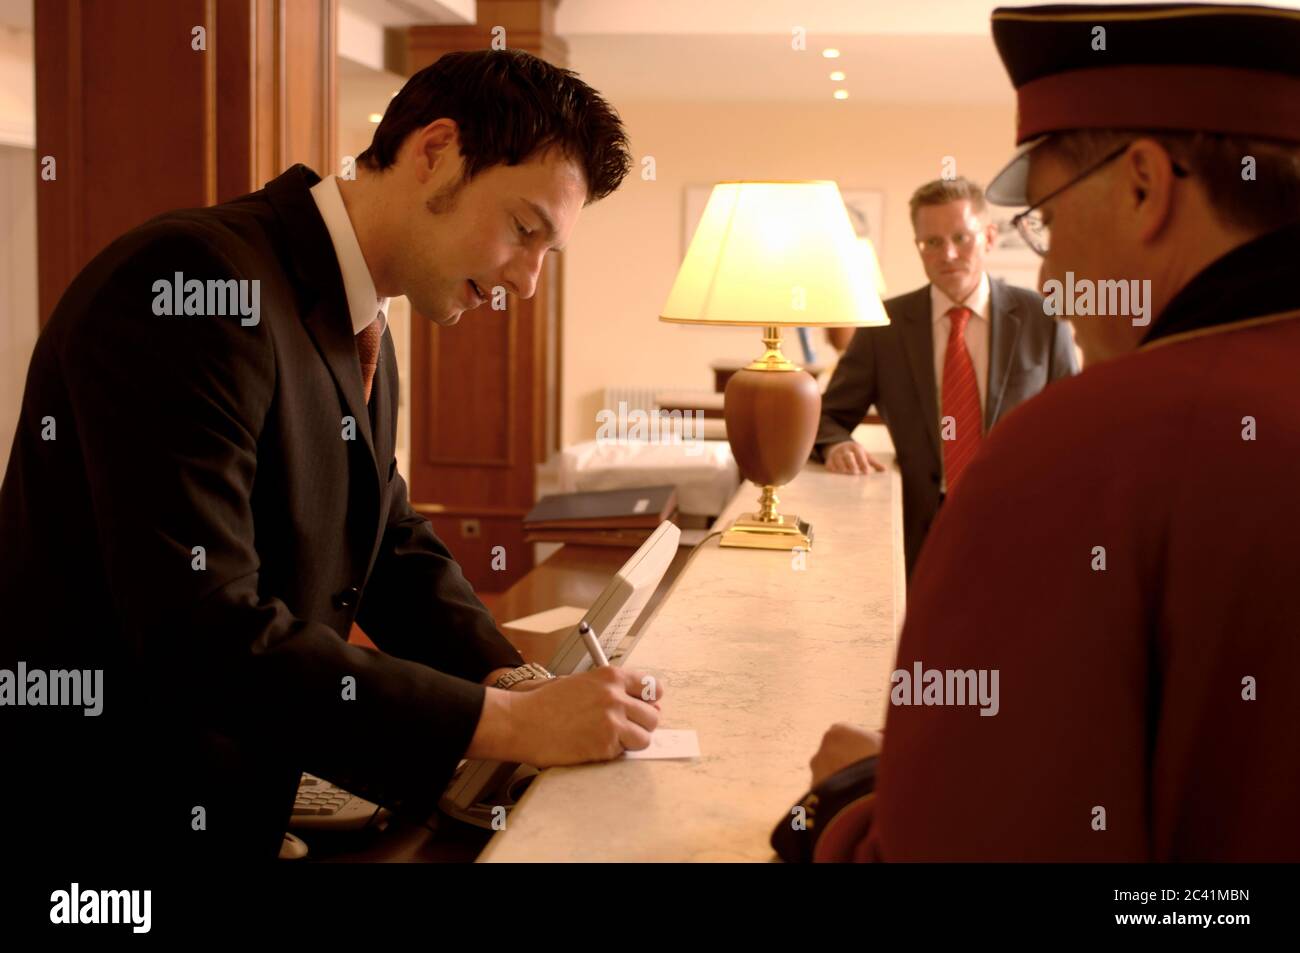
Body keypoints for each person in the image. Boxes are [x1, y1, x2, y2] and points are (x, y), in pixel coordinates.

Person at [0, 49, 660, 863]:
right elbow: (201, 630)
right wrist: (511, 723)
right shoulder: (191, 281)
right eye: (524, 230)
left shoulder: (358, 320)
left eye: (546, 254)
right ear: (435, 151)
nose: (527, 283)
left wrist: (514, 680)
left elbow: (389, 543)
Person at [806, 2, 1300, 862]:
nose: (1053, 273)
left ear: (1144, 184)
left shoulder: (1069, 454)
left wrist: (851, 800)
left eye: (1050, 219)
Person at [815, 177, 1076, 577]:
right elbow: (828, 417)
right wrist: (837, 445)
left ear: (988, 237)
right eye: (932, 242)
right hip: (920, 532)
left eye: (961, 237)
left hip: (1023, 526)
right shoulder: (884, 326)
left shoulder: (1044, 320)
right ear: (918, 245)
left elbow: (1075, 429)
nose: (949, 253)